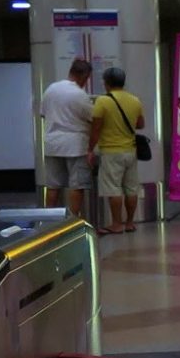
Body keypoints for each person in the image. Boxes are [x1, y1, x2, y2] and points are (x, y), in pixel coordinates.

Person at [89, 64, 146, 234]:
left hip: (111, 152)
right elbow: (141, 124)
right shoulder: (134, 100)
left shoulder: (103, 101)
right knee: (131, 188)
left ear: (106, 82)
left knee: (113, 188)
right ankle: (129, 223)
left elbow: (96, 128)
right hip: (130, 151)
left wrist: (90, 149)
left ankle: (116, 224)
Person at [40, 57, 96, 218]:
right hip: (75, 146)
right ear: (84, 76)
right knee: (76, 186)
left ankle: (48, 221)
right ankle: (72, 221)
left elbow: (43, 114)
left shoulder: (51, 89)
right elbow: (92, 118)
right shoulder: (80, 95)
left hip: (52, 144)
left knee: (53, 186)